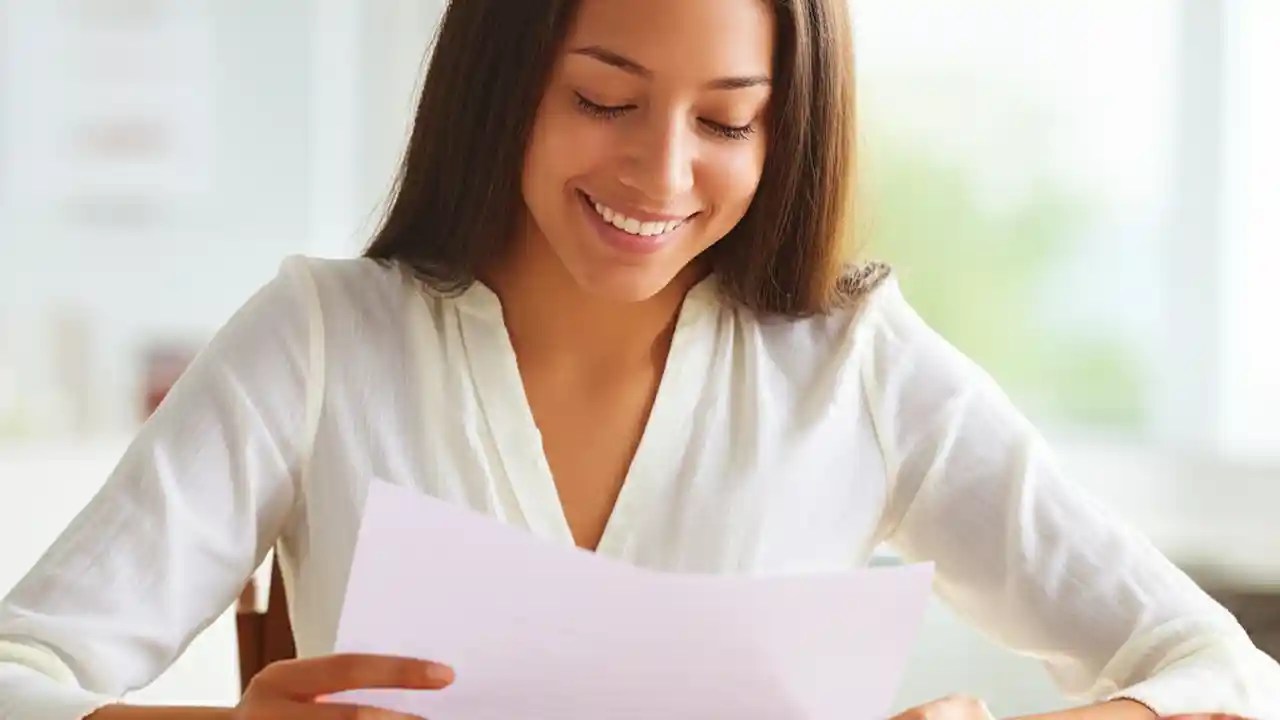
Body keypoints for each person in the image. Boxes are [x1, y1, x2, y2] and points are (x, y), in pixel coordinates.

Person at [2, 1, 1277, 718]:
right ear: (500, 83)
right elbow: (24, 676)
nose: (659, 176)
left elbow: (1219, 671)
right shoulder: (323, 340)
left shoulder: (855, 368)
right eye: (602, 100)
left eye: (727, 121)